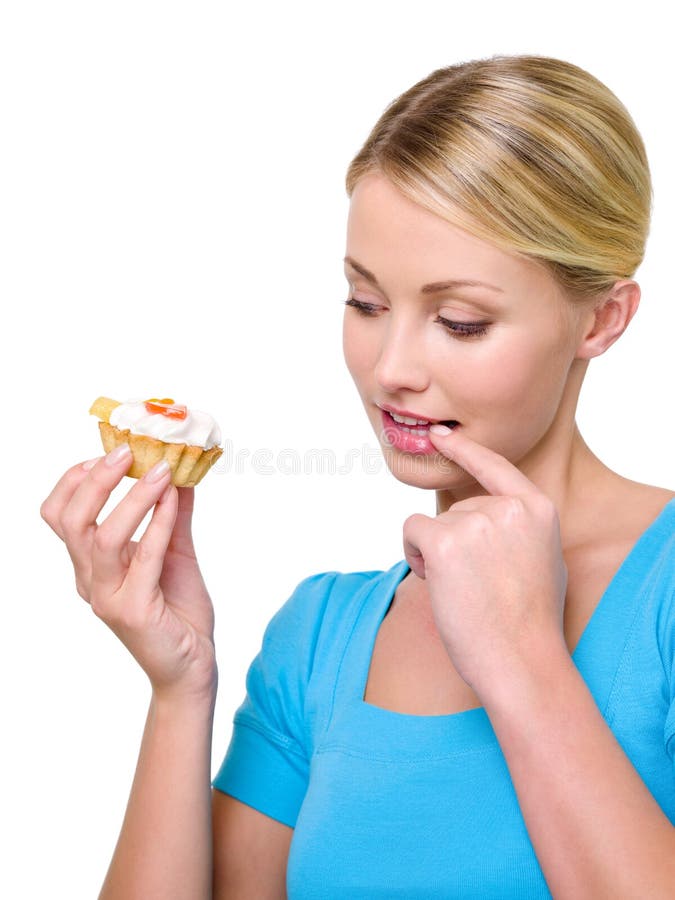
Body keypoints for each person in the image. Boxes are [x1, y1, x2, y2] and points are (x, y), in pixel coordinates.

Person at [41, 54, 675, 899]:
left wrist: (521, 657)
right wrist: (177, 688)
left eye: (459, 321)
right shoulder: (322, 637)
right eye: (365, 304)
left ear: (600, 320)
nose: (391, 369)